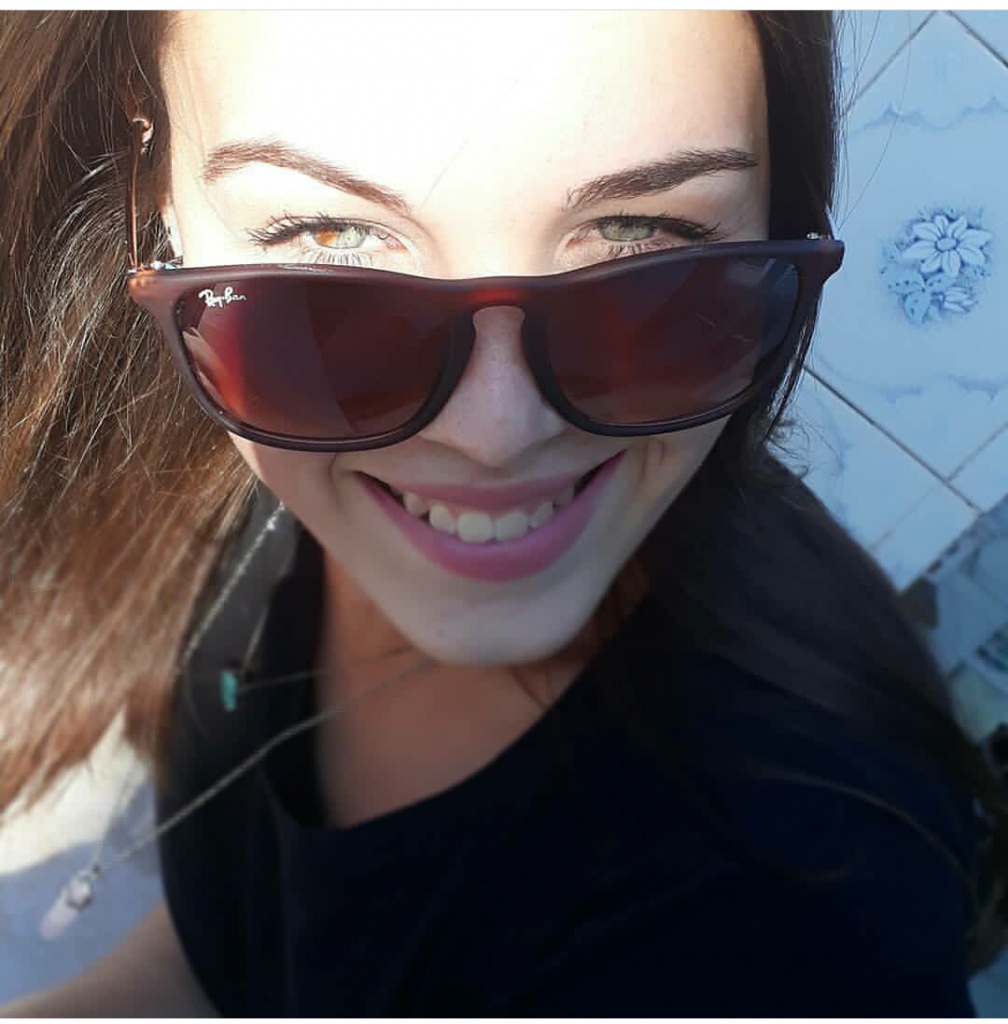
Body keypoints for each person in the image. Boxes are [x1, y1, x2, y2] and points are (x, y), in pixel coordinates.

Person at [0, 10, 1005, 1016]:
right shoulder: (243, 447)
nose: (495, 434)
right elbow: (225, 933)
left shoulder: (790, 919)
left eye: (642, 242)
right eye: (330, 247)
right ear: (159, 190)